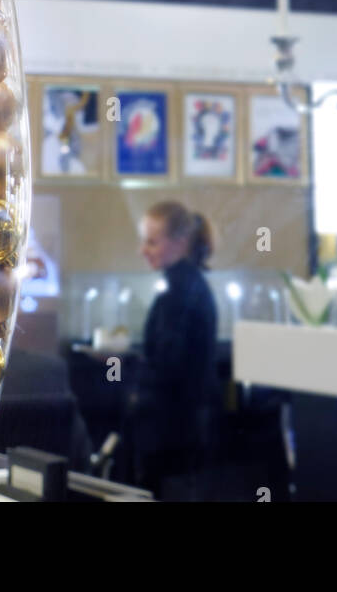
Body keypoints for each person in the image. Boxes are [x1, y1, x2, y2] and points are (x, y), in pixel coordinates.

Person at [128, 202, 218, 500]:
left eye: (152, 242)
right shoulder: (187, 285)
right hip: (182, 429)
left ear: (180, 243)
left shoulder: (179, 292)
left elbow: (169, 364)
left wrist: (129, 370)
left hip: (170, 432)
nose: (144, 250)